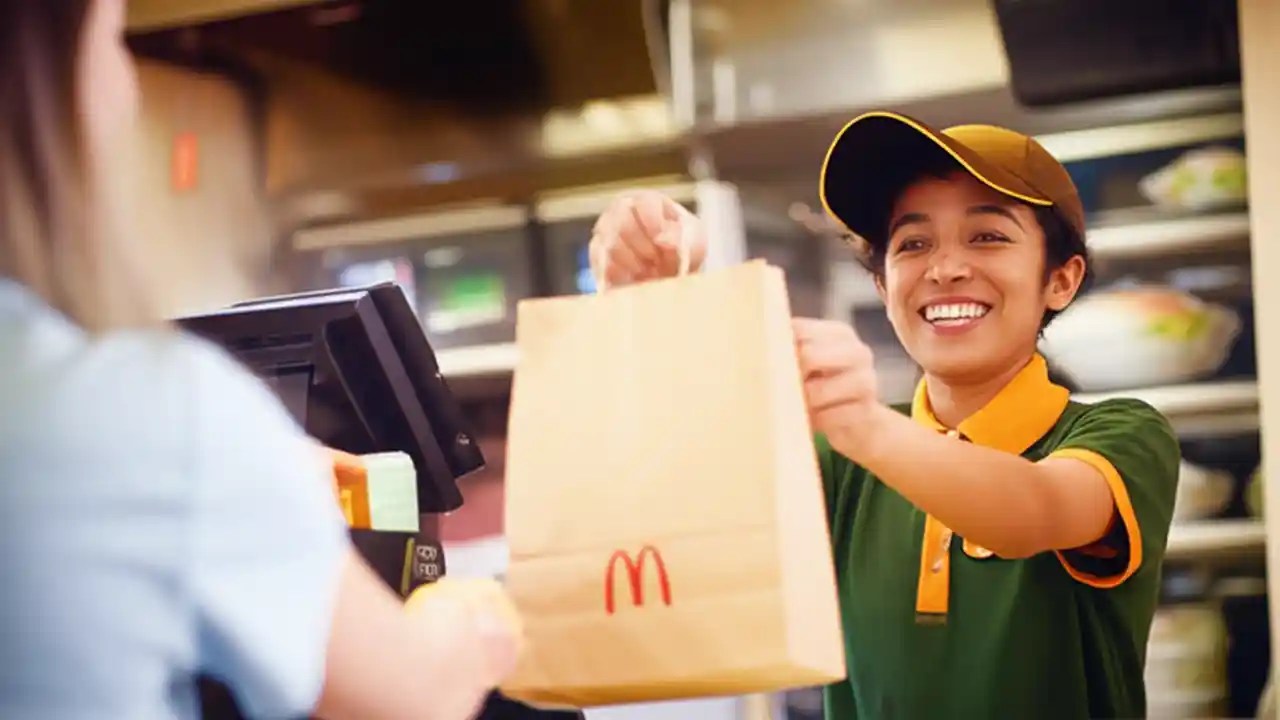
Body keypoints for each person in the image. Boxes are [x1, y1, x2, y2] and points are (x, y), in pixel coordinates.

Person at [0, 2, 522, 719]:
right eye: (113, 41)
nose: (125, 83)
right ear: (45, 82)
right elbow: (415, 694)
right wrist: (478, 609)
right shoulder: (148, 411)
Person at [589, 112, 1179, 718]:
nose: (945, 268)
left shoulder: (1122, 433)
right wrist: (646, 312)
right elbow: (674, 526)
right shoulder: (836, 461)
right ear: (882, 287)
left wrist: (862, 426)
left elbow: (1032, 511)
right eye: (913, 244)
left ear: (1060, 279)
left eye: (987, 237)